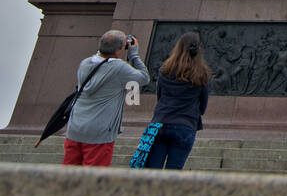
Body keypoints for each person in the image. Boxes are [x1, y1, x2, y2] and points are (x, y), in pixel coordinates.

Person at [63, 29, 149, 167]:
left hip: (75, 128)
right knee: (94, 178)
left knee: (69, 175)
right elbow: (144, 78)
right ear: (120, 48)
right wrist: (134, 54)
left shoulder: (85, 63)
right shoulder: (119, 68)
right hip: (100, 132)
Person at [143, 31, 211, 170]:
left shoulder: (165, 70)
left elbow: (160, 97)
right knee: (174, 172)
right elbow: (203, 107)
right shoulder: (202, 73)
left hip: (161, 123)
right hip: (186, 125)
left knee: (152, 172)